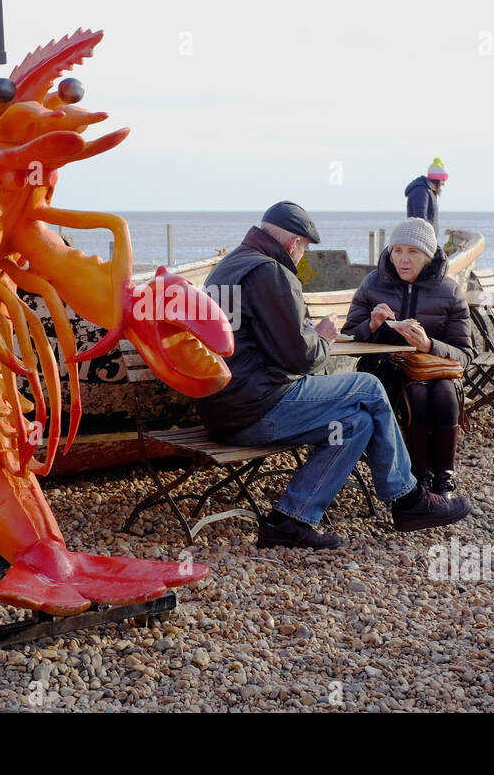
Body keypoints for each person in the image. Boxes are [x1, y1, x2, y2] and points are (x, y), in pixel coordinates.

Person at [195, 201, 470, 549]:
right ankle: (409, 499)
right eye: (305, 250)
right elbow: (301, 358)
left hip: (224, 408)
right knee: (367, 386)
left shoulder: (227, 266)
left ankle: (290, 520)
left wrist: (304, 333)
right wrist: (322, 336)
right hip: (256, 408)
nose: (302, 257)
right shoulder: (271, 272)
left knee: (357, 423)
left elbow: (257, 339)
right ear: (295, 244)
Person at [344, 218, 473, 499]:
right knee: (415, 394)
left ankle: (444, 478)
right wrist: (373, 325)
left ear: (427, 256)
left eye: (413, 252)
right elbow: (349, 339)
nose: (403, 259)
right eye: (397, 251)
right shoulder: (373, 283)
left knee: (443, 393)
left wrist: (428, 344)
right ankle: (419, 479)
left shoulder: (449, 290)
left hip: (434, 371)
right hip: (385, 371)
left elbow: (465, 355)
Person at [404, 157, 448, 233]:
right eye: (443, 180)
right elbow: (420, 220)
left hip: (426, 238)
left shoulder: (429, 190)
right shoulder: (421, 191)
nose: (444, 184)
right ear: (438, 180)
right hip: (421, 239)